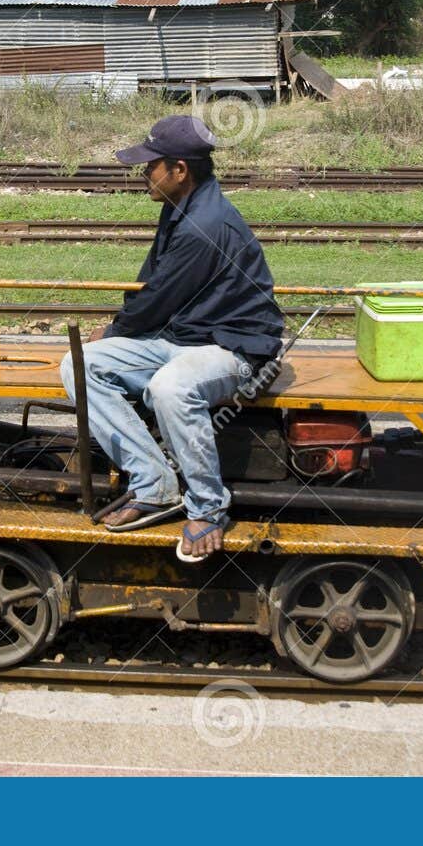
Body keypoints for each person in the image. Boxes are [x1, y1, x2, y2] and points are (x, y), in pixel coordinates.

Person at [59, 114, 284, 559]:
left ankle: (207, 508)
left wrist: (119, 328)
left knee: (171, 387)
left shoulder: (206, 227)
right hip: (185, 337)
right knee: (82, 364)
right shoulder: (181, 207)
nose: (144, 174)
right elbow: (152, 283)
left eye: (151, 165)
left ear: (180, 170)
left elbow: (159, 297)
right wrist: (116, 332)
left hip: (234, 347)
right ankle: (154, 483)